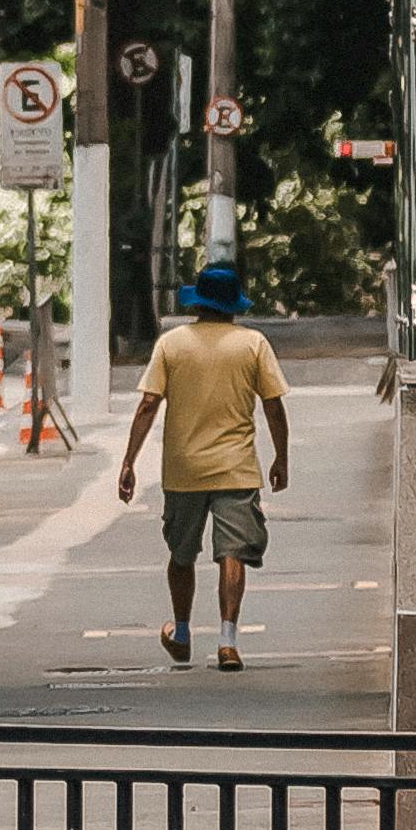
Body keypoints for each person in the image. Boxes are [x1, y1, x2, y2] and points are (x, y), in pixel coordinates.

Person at [114, 260, 289, 668]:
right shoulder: (253, 344)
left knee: (181, 554)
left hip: (183, 468)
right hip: (237, 466)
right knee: (233, 553)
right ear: (232, 306)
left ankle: (181, 630)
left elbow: (147, 405)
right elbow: (273, 406)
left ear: (198, 304)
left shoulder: (172, 344)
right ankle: (228, 641)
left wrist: (128, 461)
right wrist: (281, 456)